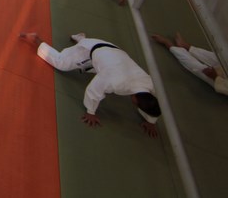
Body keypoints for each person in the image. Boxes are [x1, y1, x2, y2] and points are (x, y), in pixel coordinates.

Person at [18, 32, 161, 137]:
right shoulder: (114, 81)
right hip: (91, 53)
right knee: (61, 63)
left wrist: (151, 121)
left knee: (95, 66)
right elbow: (94, 90)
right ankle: (35, 39)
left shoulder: (149, 83)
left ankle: (81, 38)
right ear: (135, 101)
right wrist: (90, 112)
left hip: (112, 51)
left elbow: (153, 103)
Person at [151, 33, 227, 96]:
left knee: (198, 67)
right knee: (218, 58)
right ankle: (186, 47)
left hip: (223, 82)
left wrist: (215, 77)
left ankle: (169, 45)